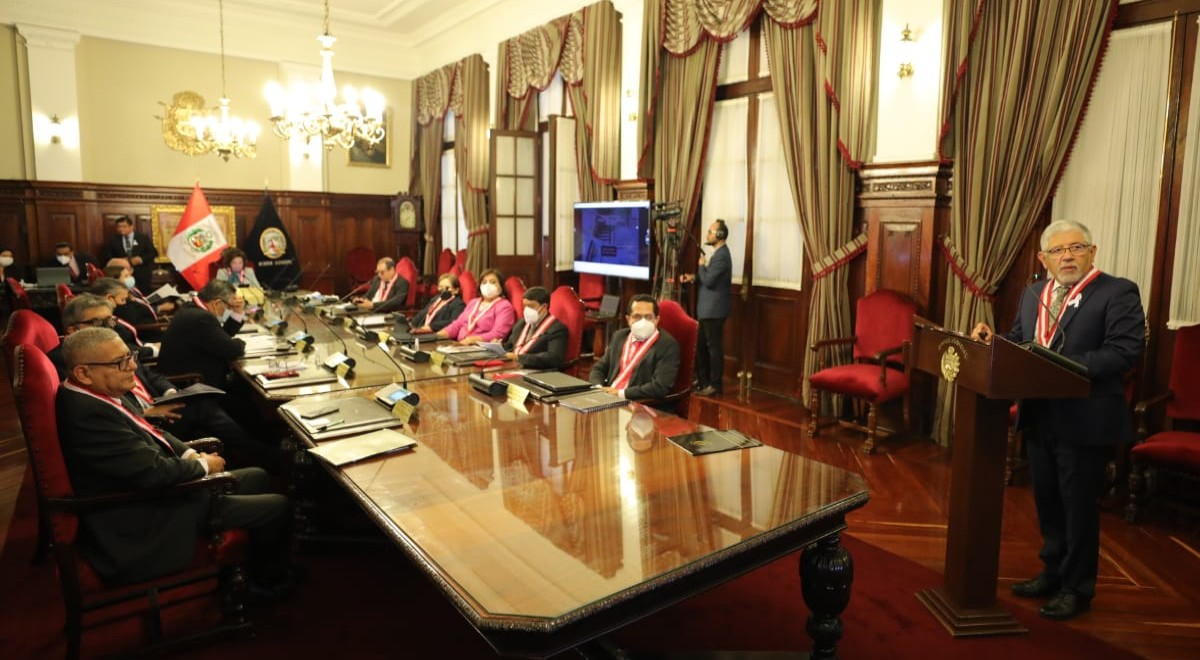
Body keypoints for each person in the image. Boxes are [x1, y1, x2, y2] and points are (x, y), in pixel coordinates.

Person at [970, 220, 1144, 621]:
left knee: (1078, 506)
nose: (1067, 256)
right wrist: (992, 342)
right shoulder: (1034, 293)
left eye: (1077, 247)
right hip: (1039, 413)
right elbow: (1019, 340)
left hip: (1086, 418)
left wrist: (1058, 366)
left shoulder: (1117, 292)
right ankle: (1052, 571)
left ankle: (1077, 588)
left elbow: (1124, 353)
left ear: (1093, 251)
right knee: (1047, 501)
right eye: (1059, 250)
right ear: (1043, 258)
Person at [55, 326, 292, 592]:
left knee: (258, 475)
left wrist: (190, 454)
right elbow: (156, 473)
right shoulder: (88, 415)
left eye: (130, 355)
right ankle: (267, 585)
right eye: (121, 362)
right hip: (144, 517)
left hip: (155, 491)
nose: (133, 365)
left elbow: (155, 430)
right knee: (278, 505)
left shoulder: (99, 392)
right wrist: (204, 465)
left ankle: (250, 569)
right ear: (83, 373)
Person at [51, 295, 280, 470]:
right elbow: (105, 405)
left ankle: (260, 448)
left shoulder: (113, 346)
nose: (110, 326)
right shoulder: (68, 361)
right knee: (207, 405)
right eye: (99, 322)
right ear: (73, 329)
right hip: (142, 422)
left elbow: (152, 376)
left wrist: (170, 392)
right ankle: (263, 456)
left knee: (215, 397)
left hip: (156, 403)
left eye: (111, 319)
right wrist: (147, 412)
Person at [589, 294, 681, 401]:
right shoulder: (619, 336)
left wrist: (620, 394)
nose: (643, 322)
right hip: (608, 399)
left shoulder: (668, 345)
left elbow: (660, 387)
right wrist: (598, 389)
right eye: (637, 316)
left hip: (641, 405)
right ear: (628, 319)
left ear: (657, 319)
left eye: (648, 317)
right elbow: (599, 368)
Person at [158, 280, 246, 387]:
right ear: (216, 303)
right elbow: (234, 349)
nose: (227, 310)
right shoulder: (201, 318)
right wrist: (241, 342)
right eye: (228, 306)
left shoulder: (191, 307)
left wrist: (237, 312)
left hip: (188, 375)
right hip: (192, 383)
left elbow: (221, 336)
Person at [680, 219, 732, 396]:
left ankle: (715, 386)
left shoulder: (723, 255)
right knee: (701, 347)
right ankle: (703, 383)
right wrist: (693, 276)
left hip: (714, 311)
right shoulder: (718, 255)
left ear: (720, 235)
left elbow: (709, 280)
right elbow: (709, 277)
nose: (708, 235)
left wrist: (701, 266)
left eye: (711, 232)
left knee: (714, 349)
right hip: (707, 310)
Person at [438, 269, 515, 344]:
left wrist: (471, 340)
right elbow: (458, 324)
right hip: (460, 344)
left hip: (481, 348)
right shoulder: (473, 302)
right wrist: (437, 336)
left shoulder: (504, 306)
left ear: (501, 287)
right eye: (484, 282)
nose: (487, 285)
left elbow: (498, 334)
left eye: (493, 282)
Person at [502, 286, 567, 369]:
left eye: (531, 306)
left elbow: (554, 358)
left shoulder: (557, 329)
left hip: (537, 371)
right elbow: (510, 346)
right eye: (525, 306)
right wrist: (497, 348)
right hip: (514, 367)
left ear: (544, 307)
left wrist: (519, 358)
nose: (526, 310)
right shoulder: (521, 323)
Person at [102, 215, 158, 292]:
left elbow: (153, 253)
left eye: (124, 226)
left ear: (131, 227)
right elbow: (106, 256)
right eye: (119, 227)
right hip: (122, 275)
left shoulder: (143, 238)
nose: (121, 229)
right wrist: (120, 261)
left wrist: (141, 259)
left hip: (142, 274)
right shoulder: (113, 240)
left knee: (142, 294)